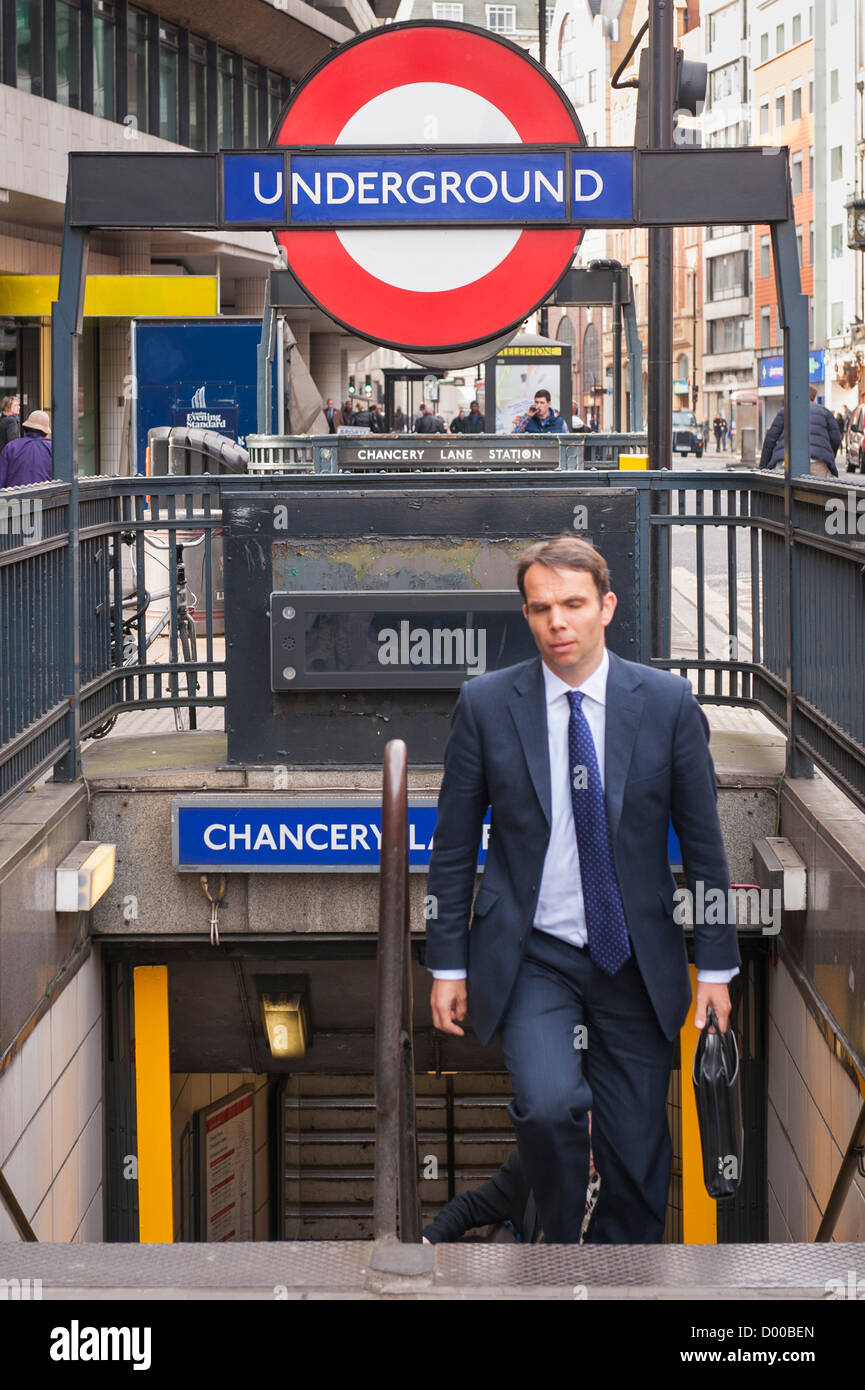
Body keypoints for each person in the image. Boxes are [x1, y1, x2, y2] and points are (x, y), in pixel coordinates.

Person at [427, 534, 739, 1244]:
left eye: (571, 605)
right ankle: (560, 1248)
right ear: (527, 616)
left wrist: (716, 966)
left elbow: (703, 843)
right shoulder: (484, 705)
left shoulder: (664, 703)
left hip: (634, 959)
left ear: (605, 606)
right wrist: (446, 962)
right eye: (540, 609)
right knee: (545, 1106)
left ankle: (620, 1276)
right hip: (535, 955)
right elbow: (450, 848)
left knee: (636, 1148)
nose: (556, 623)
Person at [759, 384, 841, 478]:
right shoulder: (825, 412)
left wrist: (763, 466)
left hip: (785, 461)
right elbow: (836, 439)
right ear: (814, 398)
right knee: (817, 491)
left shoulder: (785, 411)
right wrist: (827, 456)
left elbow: (770, 440)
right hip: (817, 463)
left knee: (781, 490)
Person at [0, 408, 52, 487]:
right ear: (45, 431)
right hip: (45, 497)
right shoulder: (52, 448)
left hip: (16, 498)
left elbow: (1, 479)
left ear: (26, 428)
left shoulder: (11, 447)